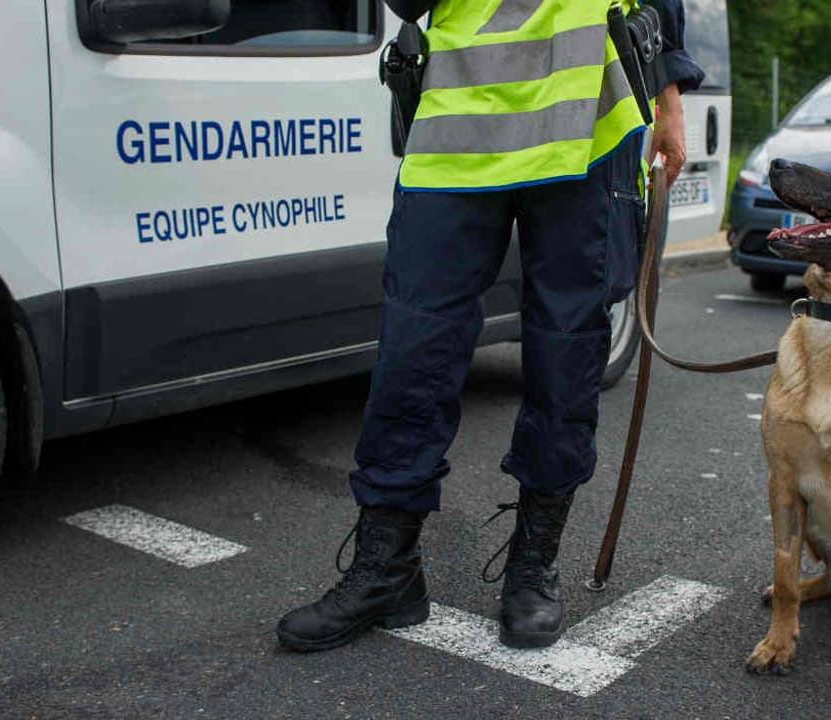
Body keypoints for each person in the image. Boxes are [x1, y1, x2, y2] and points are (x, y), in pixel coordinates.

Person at [277, 0, 705, 652]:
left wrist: (669, 98)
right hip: (458, 119)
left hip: (588, 124)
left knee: (566, 356)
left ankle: (533, 565)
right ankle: (387, 568)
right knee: (414, 348)